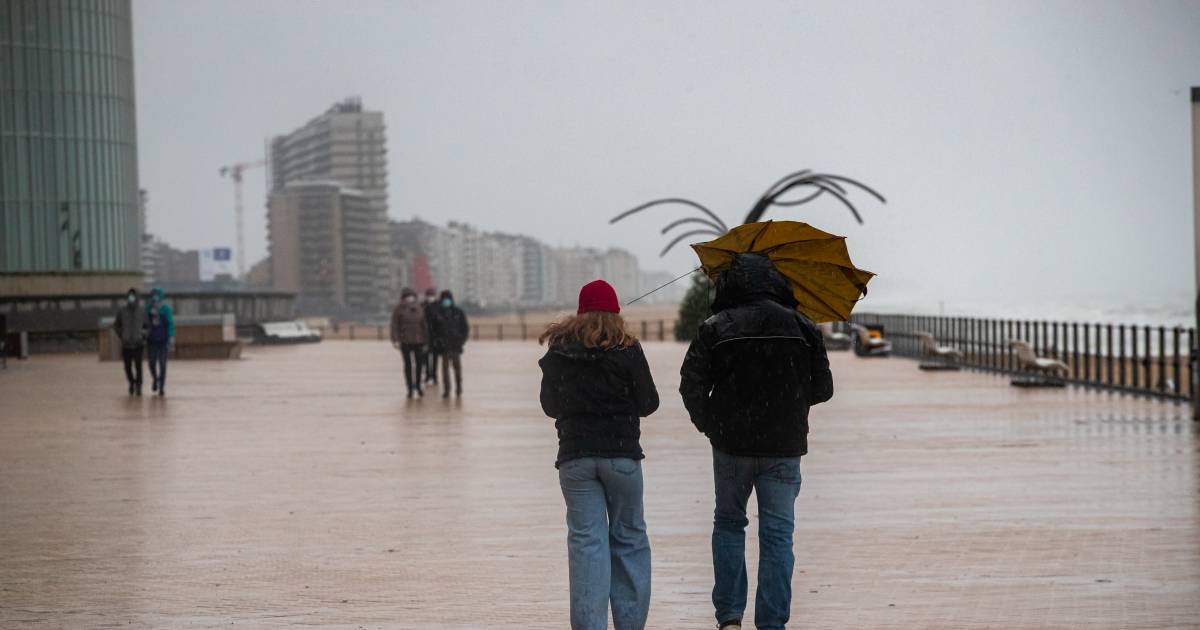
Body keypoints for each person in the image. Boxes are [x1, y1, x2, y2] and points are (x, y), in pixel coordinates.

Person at [679, 253, 833, 630]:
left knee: (729, 524)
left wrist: (711, 424)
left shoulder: (716, 327)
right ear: (777, 283)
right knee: (778, 534)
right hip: (783, 446)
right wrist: (790, 405)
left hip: (731, 445)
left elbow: (691, 385)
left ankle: (729, 617)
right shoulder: (803, 326)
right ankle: (772, 622)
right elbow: (824, 388)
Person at [539, 279, 659, 630]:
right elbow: (649, 403)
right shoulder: (627, 348)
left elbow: (549, 406)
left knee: (586, 543)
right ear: (615, 313)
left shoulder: (560, 351)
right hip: (621, 457)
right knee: (629, 538)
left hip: (575, 458)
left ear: (580, 312)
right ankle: (630, 623)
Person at [427, 290, 470, 399]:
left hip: (456, 345)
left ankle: (459, 388)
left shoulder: (458, 312)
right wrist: (436, 341)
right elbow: (433, 329)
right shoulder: (438, 314)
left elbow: (465, 328)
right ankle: (447, 390)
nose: (446, 301)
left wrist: (461, 340)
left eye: (448, 299)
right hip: (443, 346)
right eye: (445, 299)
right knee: (445, 370)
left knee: (457, 368)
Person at [390, 288, 428, 398]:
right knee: (408, 365)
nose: (409, 299)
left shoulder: (420, 308)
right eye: (407, 296)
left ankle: (418, 386)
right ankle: (410, 388)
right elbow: (394, 325)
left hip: (418, 340)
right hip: (405, 341)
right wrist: (395, 340)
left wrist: (426, 340)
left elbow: (424, 325)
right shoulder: (398, 309)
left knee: (419, 365)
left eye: (411, 296)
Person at [113, 288, 148, 396]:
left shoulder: (142, 311)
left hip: (138, 344)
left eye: (133, 296)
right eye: (129, 296)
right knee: (127, 367)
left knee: (138, 367)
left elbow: (147, 326)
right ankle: (131, 382)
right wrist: (122, 335)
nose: (131, 298)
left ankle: (139, 385)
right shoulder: (122, 311)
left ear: (137, 297)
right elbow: (116, 325)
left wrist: (143, 336)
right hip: (126, 344)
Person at [145, 287, 175, 396]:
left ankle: (161, 386)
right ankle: (155, 378)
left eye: (157, 295)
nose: (155, 297)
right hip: (151, 341)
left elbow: (170, 324)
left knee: (162, 365)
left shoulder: (166, 309)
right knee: (152, 363)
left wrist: (171, 337)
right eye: (153, 295)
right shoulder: (148, 309)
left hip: (163, 341)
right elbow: (144, 324)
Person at [422, 287, 440, 386]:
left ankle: (434, 376)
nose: (430, 297)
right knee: (425, 358)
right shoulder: (422, 306)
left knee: (435, 358)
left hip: (435, 336)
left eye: (432, 295)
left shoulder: (438, 306)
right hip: (425, 336)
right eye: (429, 295)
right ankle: (428, 375)